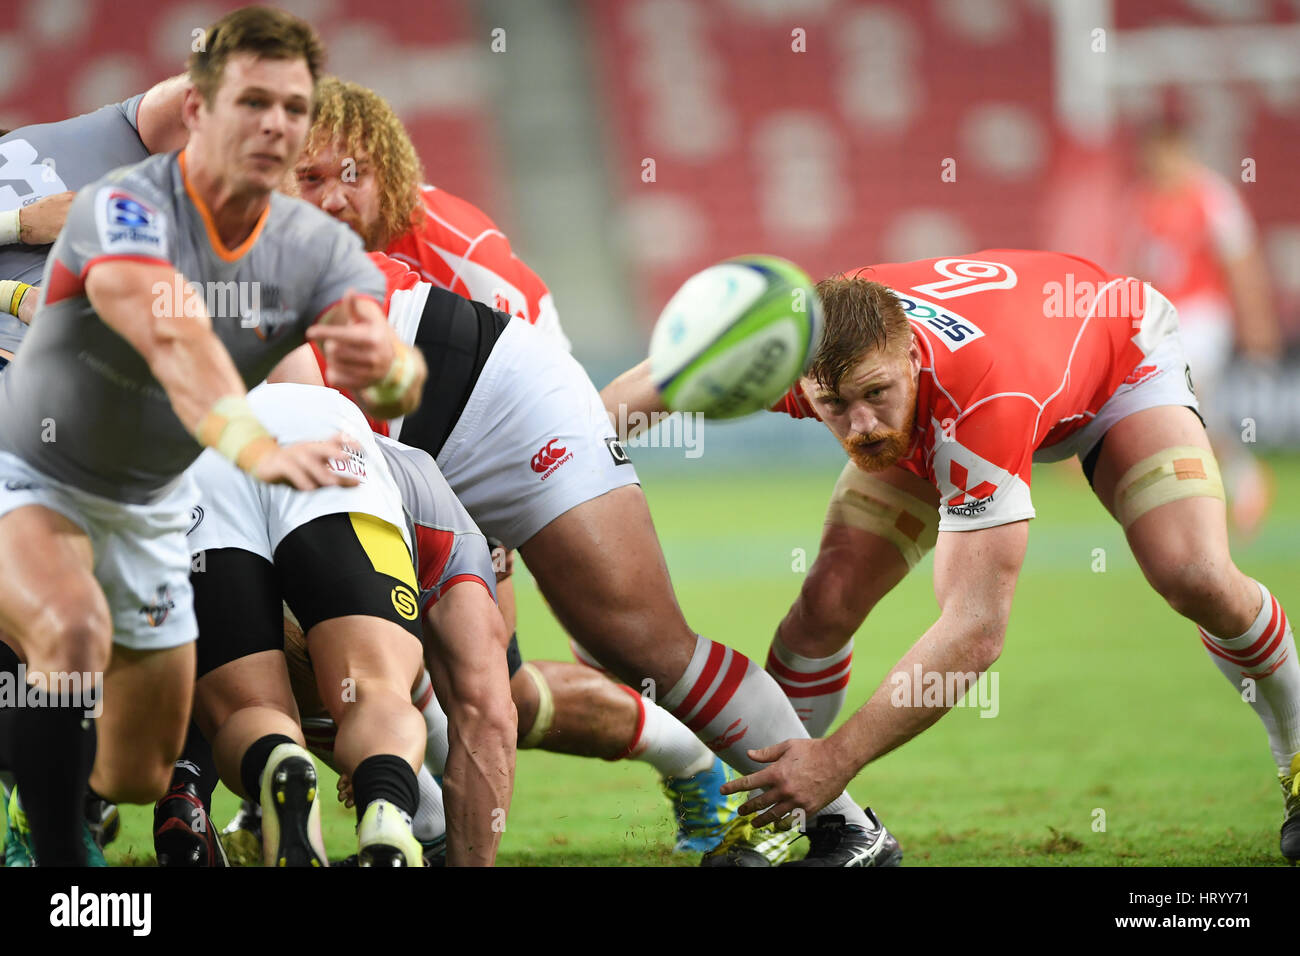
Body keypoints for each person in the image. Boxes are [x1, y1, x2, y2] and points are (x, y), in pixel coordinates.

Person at [668, 249, 1294, 862]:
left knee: (1195, 575)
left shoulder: (986, 397)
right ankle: (799, 816)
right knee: (826, 602)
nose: (858, 427)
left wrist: (835, 759)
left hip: (1115, 365)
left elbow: (974, 631)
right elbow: (666, 376)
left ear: (910, 356)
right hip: (945, 396)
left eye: (874, 393)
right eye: (834, 407)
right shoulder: (811, 353)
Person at [0, 5, 423, 866]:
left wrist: (386, 370)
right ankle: (51, 855)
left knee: (138, 764)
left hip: (165, 492)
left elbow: (345, 373)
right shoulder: (119, 179)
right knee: (64, 631)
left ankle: (150, 791)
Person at [182, 383, 514, 865]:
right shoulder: (454, 534)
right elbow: (489, 714)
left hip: (207, 453)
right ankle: (387, 812)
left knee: (247, 710)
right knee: (375, 688)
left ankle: (279, 759)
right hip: (327, 444)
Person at [1121, 119, 1283, 536]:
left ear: (1182, 151)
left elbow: (1241, 260)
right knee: (1193, 412)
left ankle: (1196, 497)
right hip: (1164, 319)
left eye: (1165, 152)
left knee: (1179, 402)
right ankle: (1243, 481)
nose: (1157, 162)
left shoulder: (1211, 196)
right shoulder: (1146, 201)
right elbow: (1141, 271)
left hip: (1204, 317)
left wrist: (1258, 325)